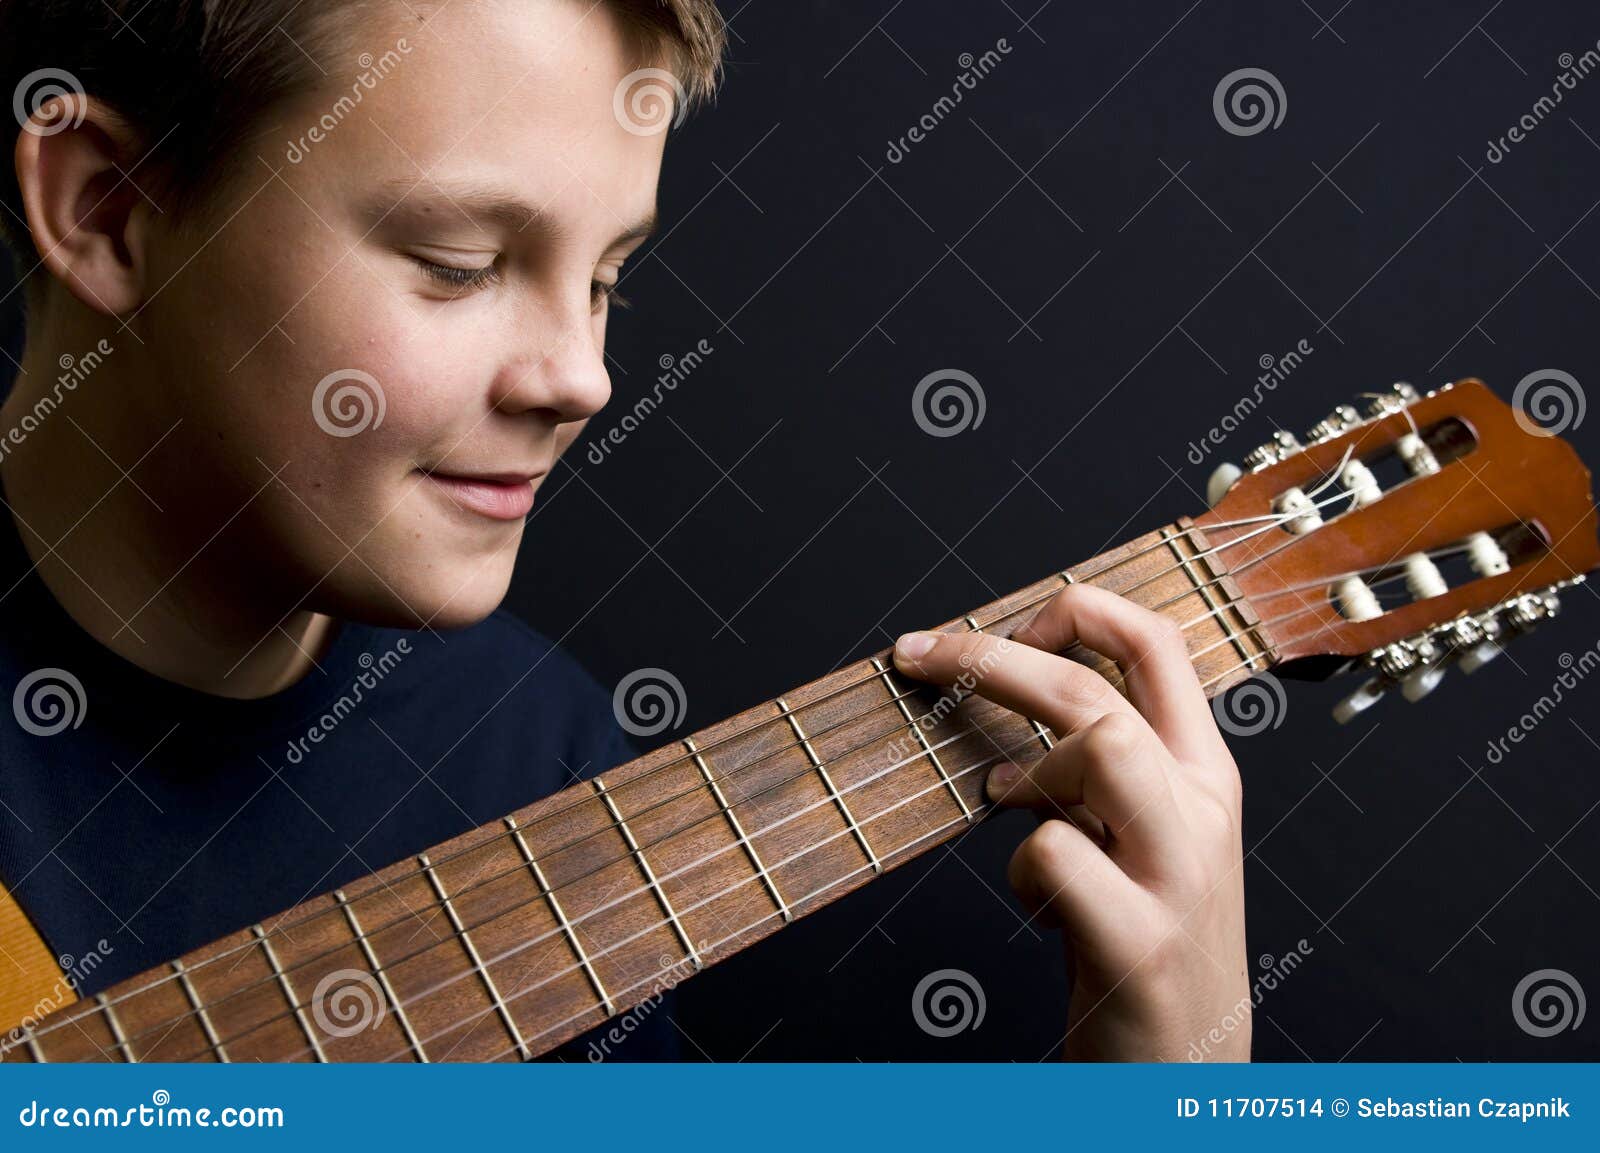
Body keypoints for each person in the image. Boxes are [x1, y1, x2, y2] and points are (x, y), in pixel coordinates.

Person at [0, 0, 1248, 1061]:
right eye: (459, 260)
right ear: (109, 212)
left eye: (605, 280)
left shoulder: (541, 773)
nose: (582, 377)